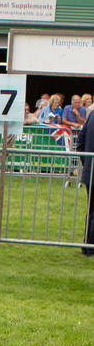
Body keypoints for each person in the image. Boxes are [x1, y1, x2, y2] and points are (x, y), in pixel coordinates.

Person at [77, 110, 94, 256]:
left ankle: (87, 245)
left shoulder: (92, 114)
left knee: (91, 210)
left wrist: (87, 163)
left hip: (90, 170)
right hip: (90, 168)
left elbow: (80, 141)